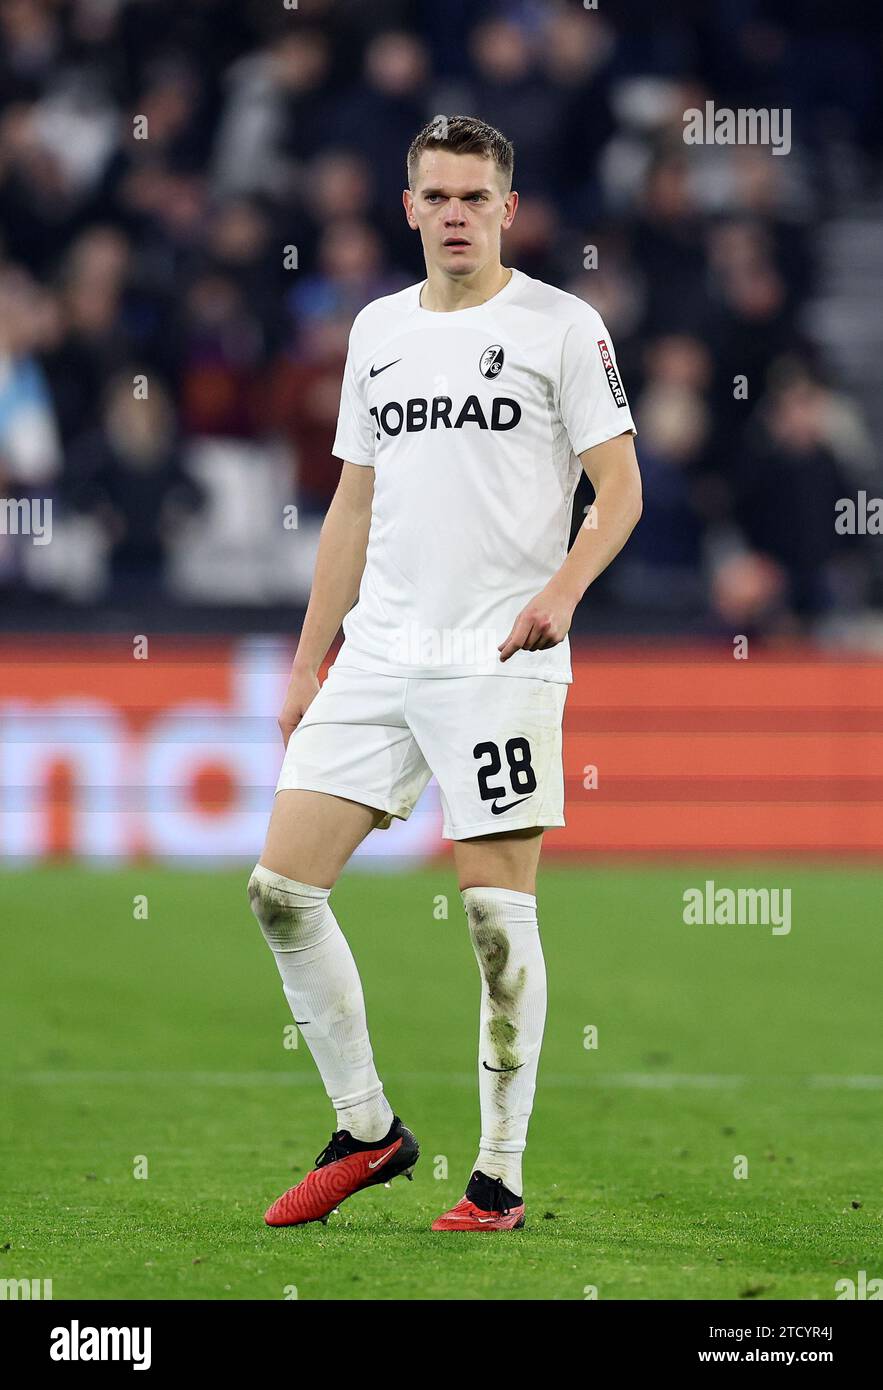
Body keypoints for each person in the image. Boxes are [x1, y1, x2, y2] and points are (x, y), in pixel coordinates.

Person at [248, 115, 642, 1232]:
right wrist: (309, 656)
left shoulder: (562, 328)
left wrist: (559, 594)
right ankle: (368, 1131)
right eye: (438, 196)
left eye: (476, 197)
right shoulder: (375, 332)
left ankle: (498, 1179)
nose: (457, 214)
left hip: (499, 658)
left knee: (492, 920)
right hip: (379, 650)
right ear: (409, 206)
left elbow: (620, 494)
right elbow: (352, 505)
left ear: (508, 209)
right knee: (279, 890)